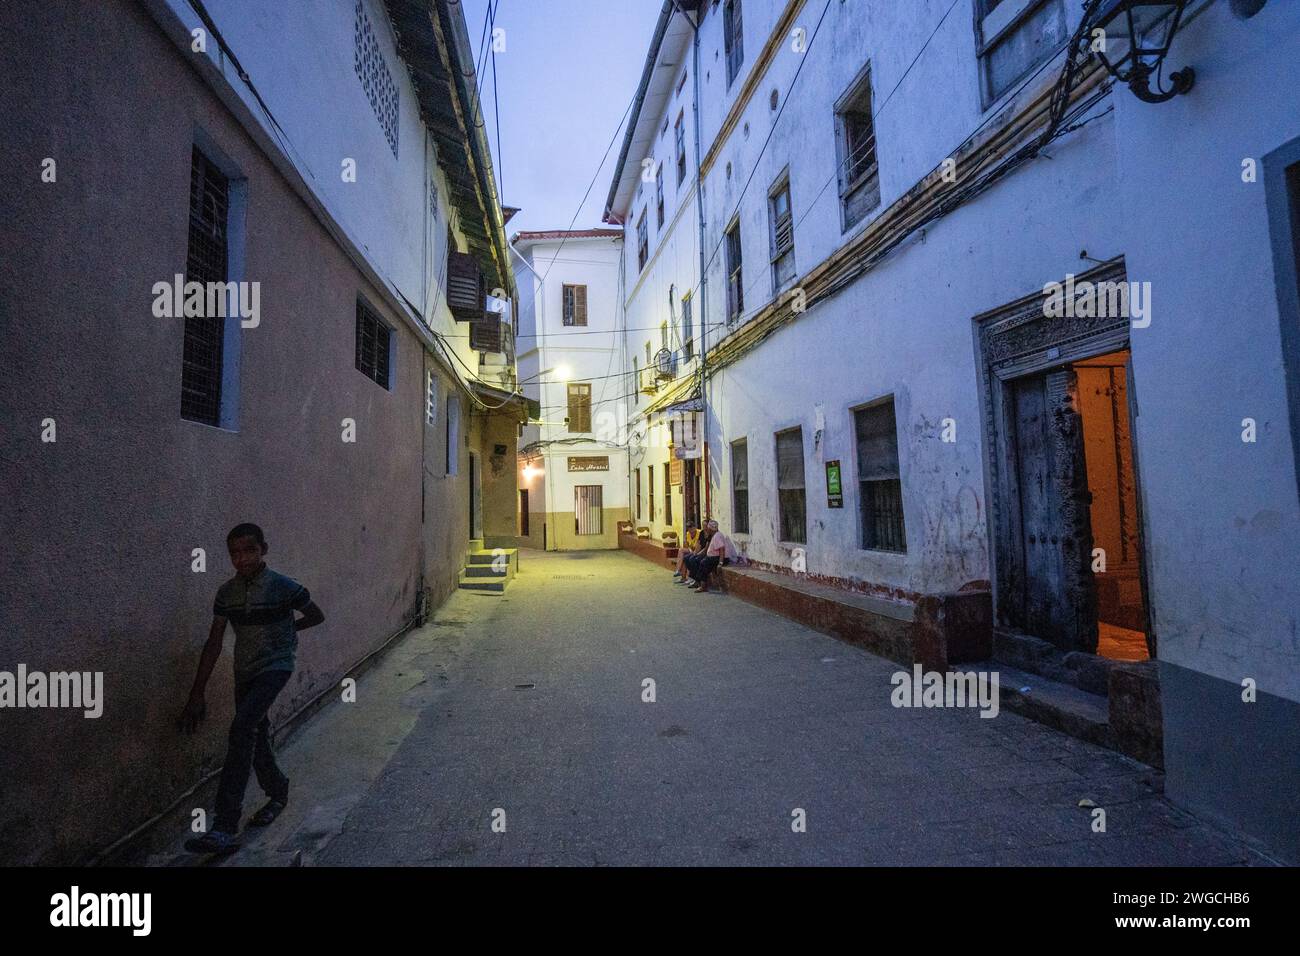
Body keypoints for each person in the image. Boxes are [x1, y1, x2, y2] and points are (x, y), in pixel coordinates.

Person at [179, 523, 325, 855]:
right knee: (255, 734)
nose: (242, 559)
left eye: (249, 550)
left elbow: (315, 615)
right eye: (234, 553)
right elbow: (214, 641)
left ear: (264, 550)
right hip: (244, 672)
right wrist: (196, 692)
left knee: (242, 728)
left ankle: (223, 828)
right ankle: (278, 791)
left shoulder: (284, 587)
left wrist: (288, 632)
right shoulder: (226, 594)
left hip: (276, 667)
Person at [692, 519, 736, 593]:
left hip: (720, 558)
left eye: (708, 528)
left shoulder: (717, 536)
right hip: (714, 557)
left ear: (711, 529)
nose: (707, 530)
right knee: (701, 561)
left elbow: (722, 549)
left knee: (703, 562)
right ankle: (699, 583)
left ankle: (702, 586)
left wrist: (720, 563)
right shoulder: (714, 535)